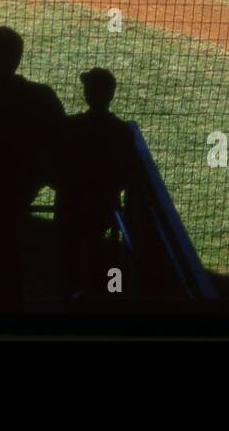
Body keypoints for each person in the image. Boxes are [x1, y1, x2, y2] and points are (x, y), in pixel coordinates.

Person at [0, 26, 66, 311]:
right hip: (27, 186)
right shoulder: (42, 95)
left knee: (1, 256)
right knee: (15, 252)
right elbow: (60, 138)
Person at [54, 68, 136, 302]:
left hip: (70, 206)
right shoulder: (121, 131)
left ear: (87, 94)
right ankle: (99, 302)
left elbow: (56, 163)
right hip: (103, 207)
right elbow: (125, 172)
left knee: (67, 261)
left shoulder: (72, 126)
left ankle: (68, 301)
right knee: (100, 256)